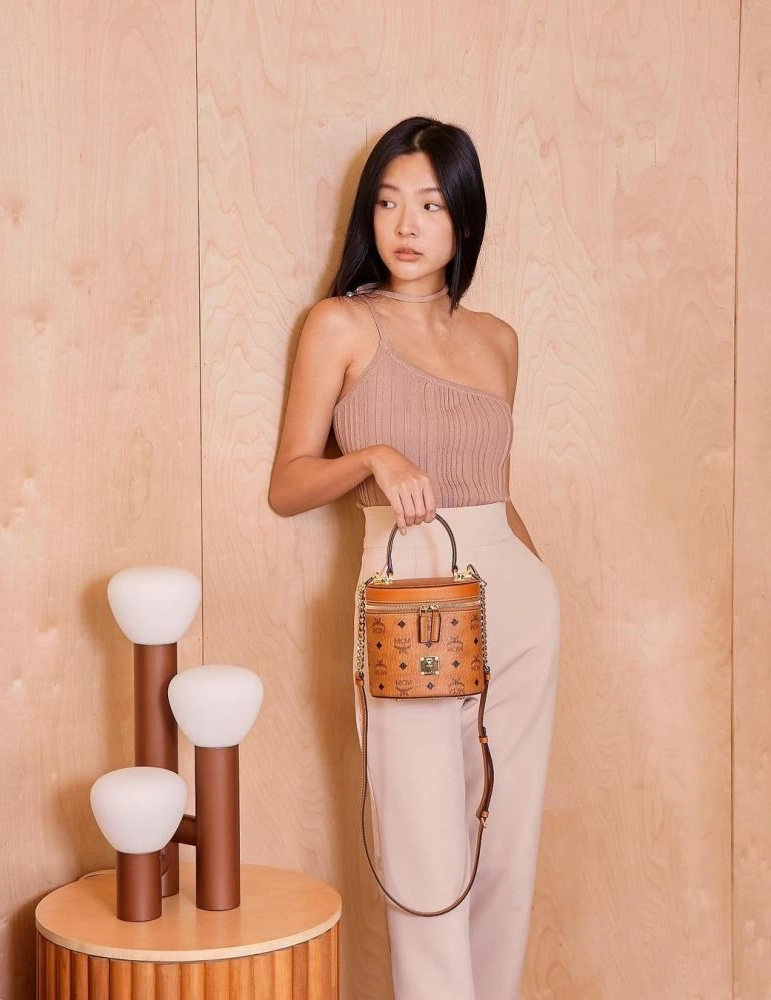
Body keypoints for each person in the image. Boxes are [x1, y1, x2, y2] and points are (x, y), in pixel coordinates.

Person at [268, 115, 561, 1000]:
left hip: (516, 599)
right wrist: (372, 459)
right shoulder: (340, 325)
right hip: (407, 601)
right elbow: (288, 485)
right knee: (425, 857)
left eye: (431, 205)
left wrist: (540, 585)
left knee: (505, 848)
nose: (406, 225)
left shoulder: (499, 339)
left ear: (463, 220)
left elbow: (494, 488)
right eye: (389, 202)